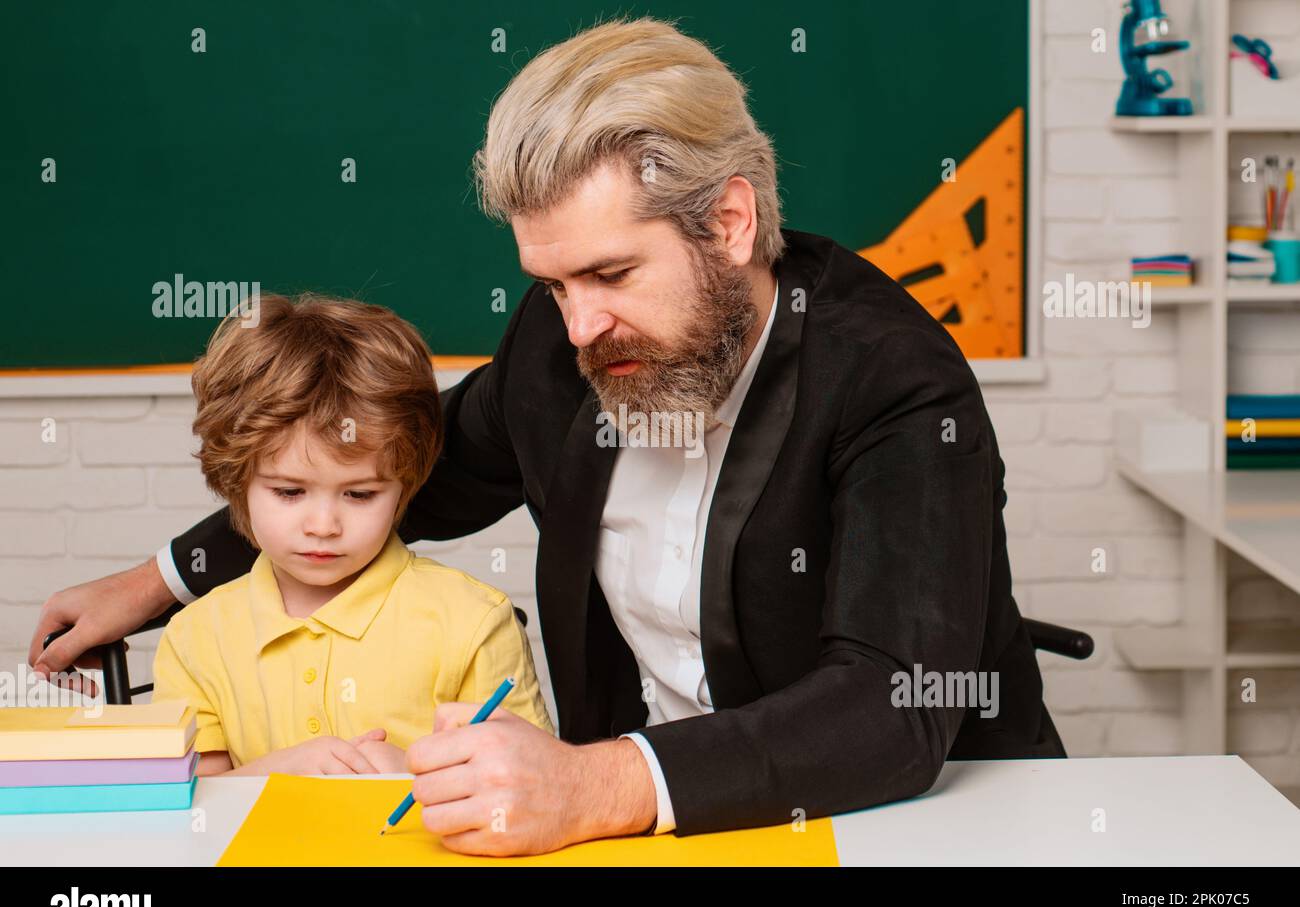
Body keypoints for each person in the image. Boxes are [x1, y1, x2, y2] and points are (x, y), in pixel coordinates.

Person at [31, 16, 1062, 855]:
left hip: (919, 823)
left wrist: (594, 780)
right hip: (656, 831)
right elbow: (395, 474)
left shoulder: (895, 382)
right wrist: (163, 579)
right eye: (550, 283)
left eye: (611, 275)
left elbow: (889, 708)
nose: (576, 328)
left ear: (731, 223)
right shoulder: (562, 341)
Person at [148, 293, 553, 776]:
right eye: (290, 492)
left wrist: (412, 774)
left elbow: (529, 786)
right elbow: (194, 811)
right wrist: (283, 773)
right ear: (239, 482)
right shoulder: (195, 638)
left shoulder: (473, 622)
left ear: (406, 485)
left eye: (359, 495)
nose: (323, 525)